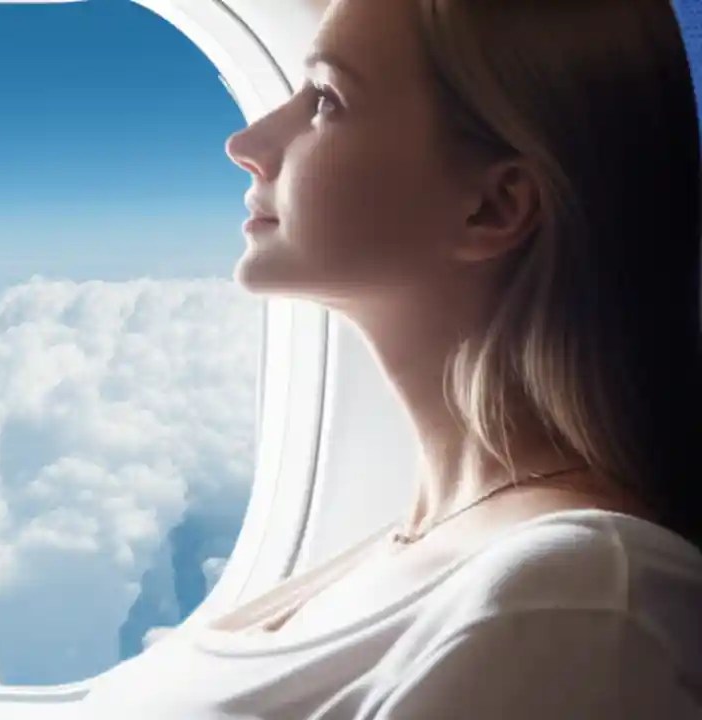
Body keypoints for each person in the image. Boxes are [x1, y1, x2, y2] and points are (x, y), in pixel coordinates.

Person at [73, 0, 702, 717]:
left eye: (326, 100)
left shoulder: (572, 610)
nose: (247, 142)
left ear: (491, 209)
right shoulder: (436, 545)